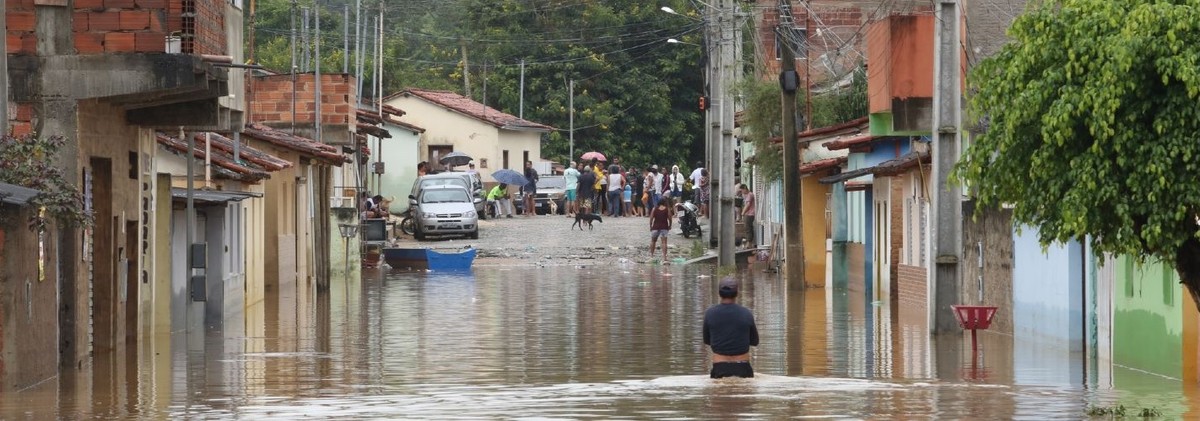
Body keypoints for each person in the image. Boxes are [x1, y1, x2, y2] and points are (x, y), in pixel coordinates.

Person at [703, 277, 759, 379]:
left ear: (719, 294)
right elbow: (755, 341)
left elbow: (707, 340)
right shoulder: (746, 313)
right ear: (737, 293)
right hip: (743, 367)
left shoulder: (710, 314)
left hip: (719, 367)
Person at [649, 196, 673, 263]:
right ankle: (665, 257)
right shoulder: (667, 209)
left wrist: (650, 226)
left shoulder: (654, 209)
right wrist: (670, 225)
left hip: (655, 227)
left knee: (653, 241)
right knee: (664, 242)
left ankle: (651, 255)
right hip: (664, 227)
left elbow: (651, 218)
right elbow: (670, 218)